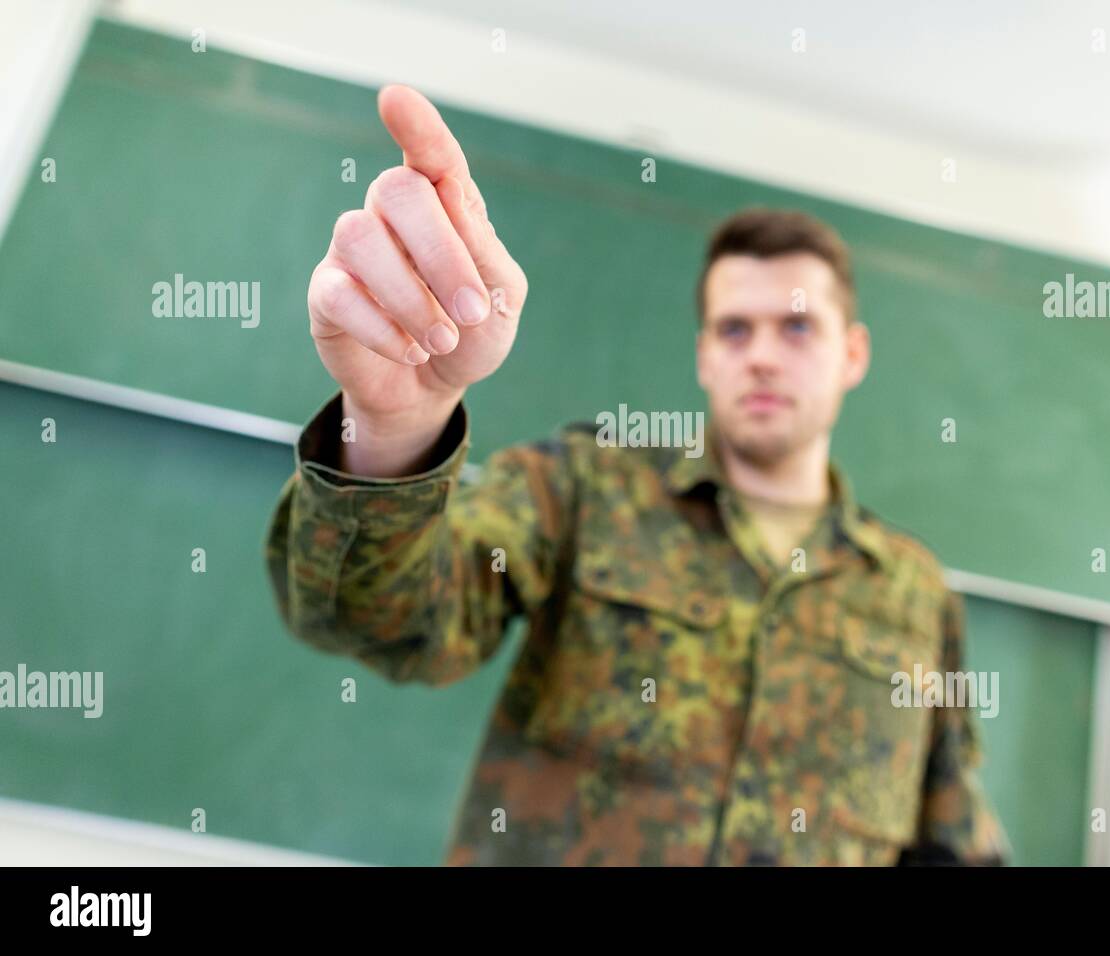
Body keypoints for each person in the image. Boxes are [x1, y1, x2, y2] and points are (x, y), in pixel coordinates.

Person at [264, 84, 1010, 866]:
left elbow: (953, 839)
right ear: (703, 355)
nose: (761, 353)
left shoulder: (914, 596)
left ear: (851, 353)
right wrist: (395, 427)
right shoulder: (586, 489)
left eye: (796, 326)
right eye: (734, 328)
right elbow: (377, 621)